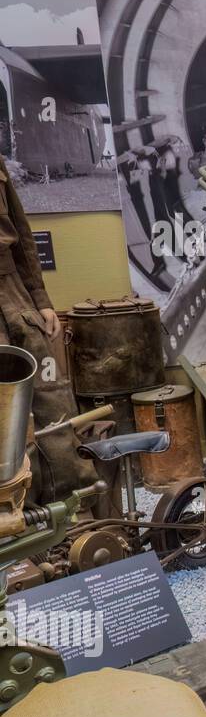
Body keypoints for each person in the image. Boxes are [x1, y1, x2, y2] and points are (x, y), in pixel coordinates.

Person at [0, 156, 91, 492]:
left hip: (14, 295)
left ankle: (67, 505)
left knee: (50, 398)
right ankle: (18, 516)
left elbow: (22, 234)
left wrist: (41, 300)